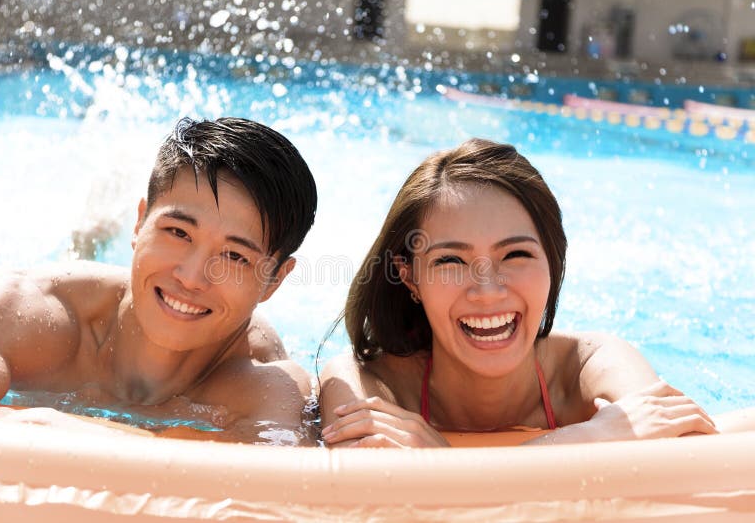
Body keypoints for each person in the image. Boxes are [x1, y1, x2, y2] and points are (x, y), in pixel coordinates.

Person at [320, 138, 752, 448]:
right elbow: (363, 483)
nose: (487, 292)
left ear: (553, 260)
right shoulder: (364, 383)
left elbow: (685, 452)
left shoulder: (593, 365)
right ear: (410, 278)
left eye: (515, 255)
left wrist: (439, 466)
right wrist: (592, 436)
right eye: (451, 261)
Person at [0, 117, 317, 444]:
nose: (191, 278)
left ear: (274, 281)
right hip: (86, 297)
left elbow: (272, 476)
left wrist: (67, 430)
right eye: (178, 232)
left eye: (235, 256)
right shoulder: (24, 310)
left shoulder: (266, 384)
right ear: (141, 221)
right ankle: (92, 235)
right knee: (81, 250)